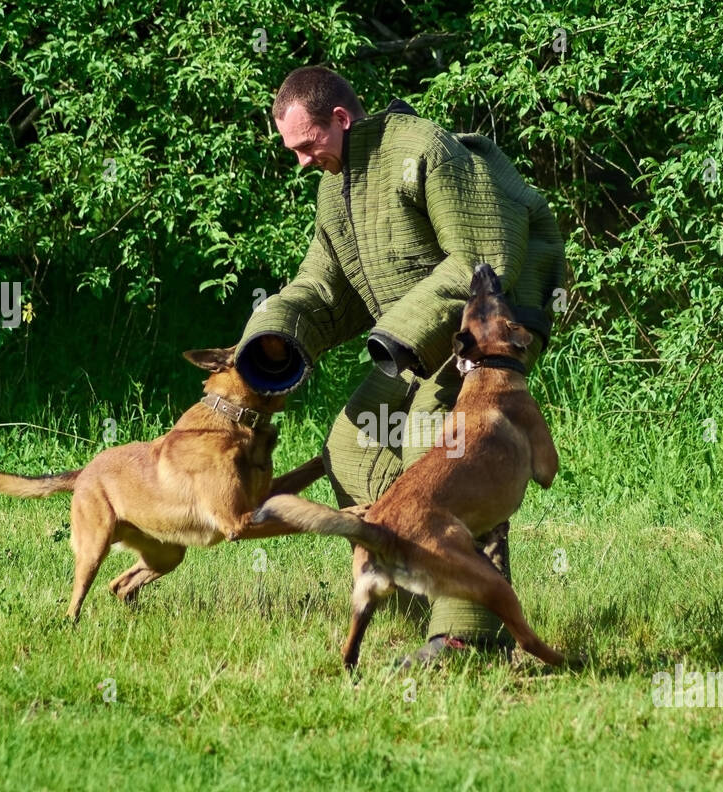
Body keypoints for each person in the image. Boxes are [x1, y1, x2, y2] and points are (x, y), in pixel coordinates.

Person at [234, 65, 565, 665]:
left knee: (435, 448)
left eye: (307, 146)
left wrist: (402, 330)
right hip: (413, 341)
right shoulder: (337, 185)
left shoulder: (422, 149)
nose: (303, 162)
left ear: (340, 117)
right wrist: (270, 336)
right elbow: (324, 284)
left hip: (489, 330)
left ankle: (465, 635)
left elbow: (483, 256)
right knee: (352, 445)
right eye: (294, 152)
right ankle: (422, 580)